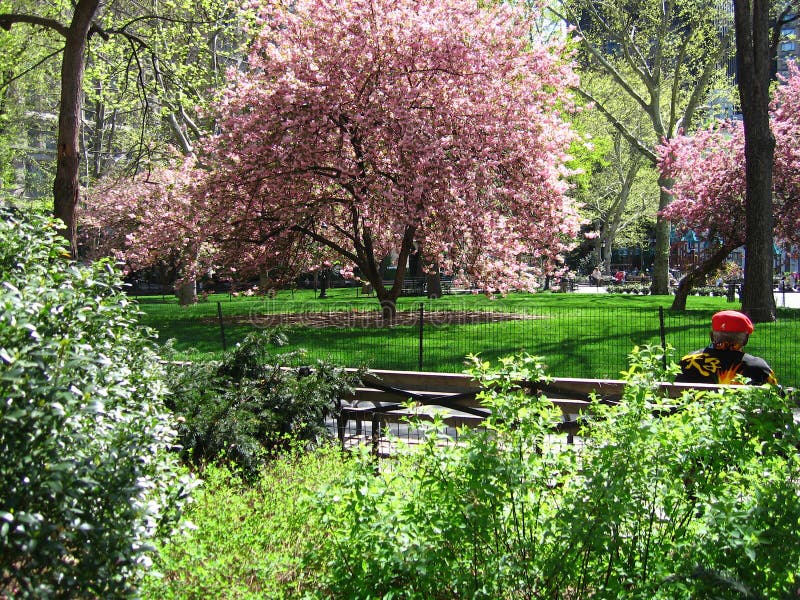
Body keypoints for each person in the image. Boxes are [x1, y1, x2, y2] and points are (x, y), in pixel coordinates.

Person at [676, 310, 777, 385]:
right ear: (745, 340)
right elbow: (777, 400)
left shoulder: (687, 362)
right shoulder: (758, 368)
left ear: (711, 336)